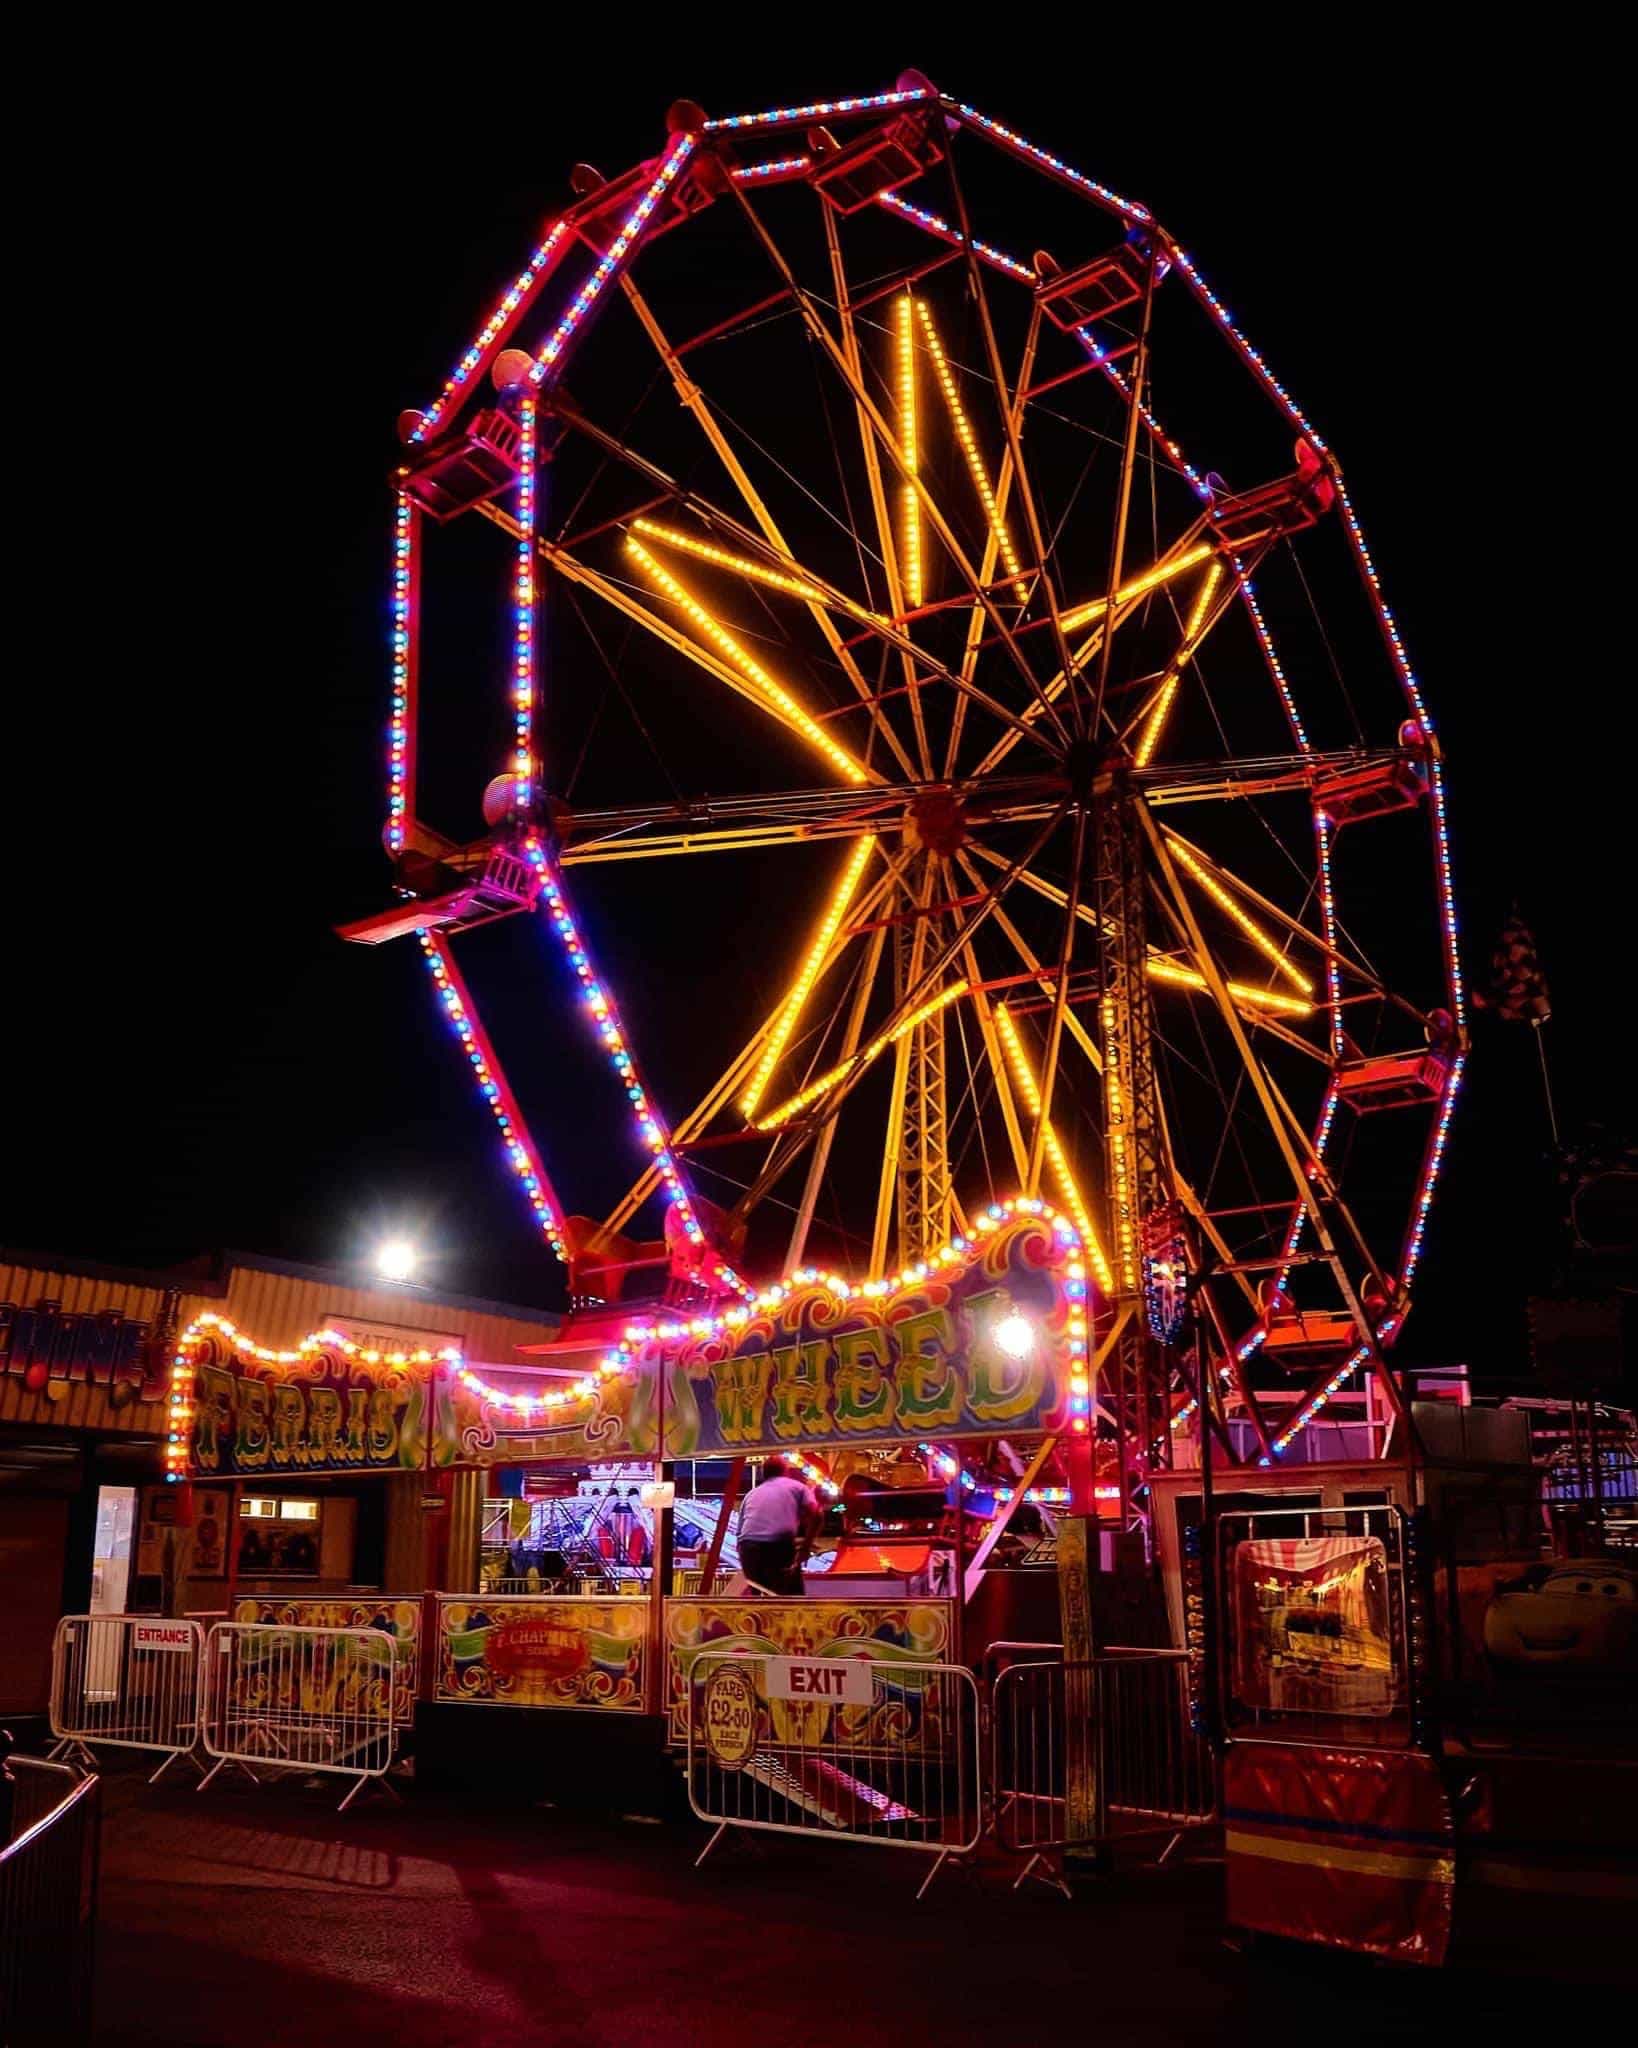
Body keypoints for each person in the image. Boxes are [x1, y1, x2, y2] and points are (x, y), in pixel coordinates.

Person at [736, 1458, 819, 1596]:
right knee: (790, 1598)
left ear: (764, 1474)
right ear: (785, 1471)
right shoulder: (797, 1487)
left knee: (760, 1600)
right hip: (777, 1546)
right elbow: (817, 1515)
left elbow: (740, 1534)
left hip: (748, 1549)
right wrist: (806, 1546)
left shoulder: (752, 1494)